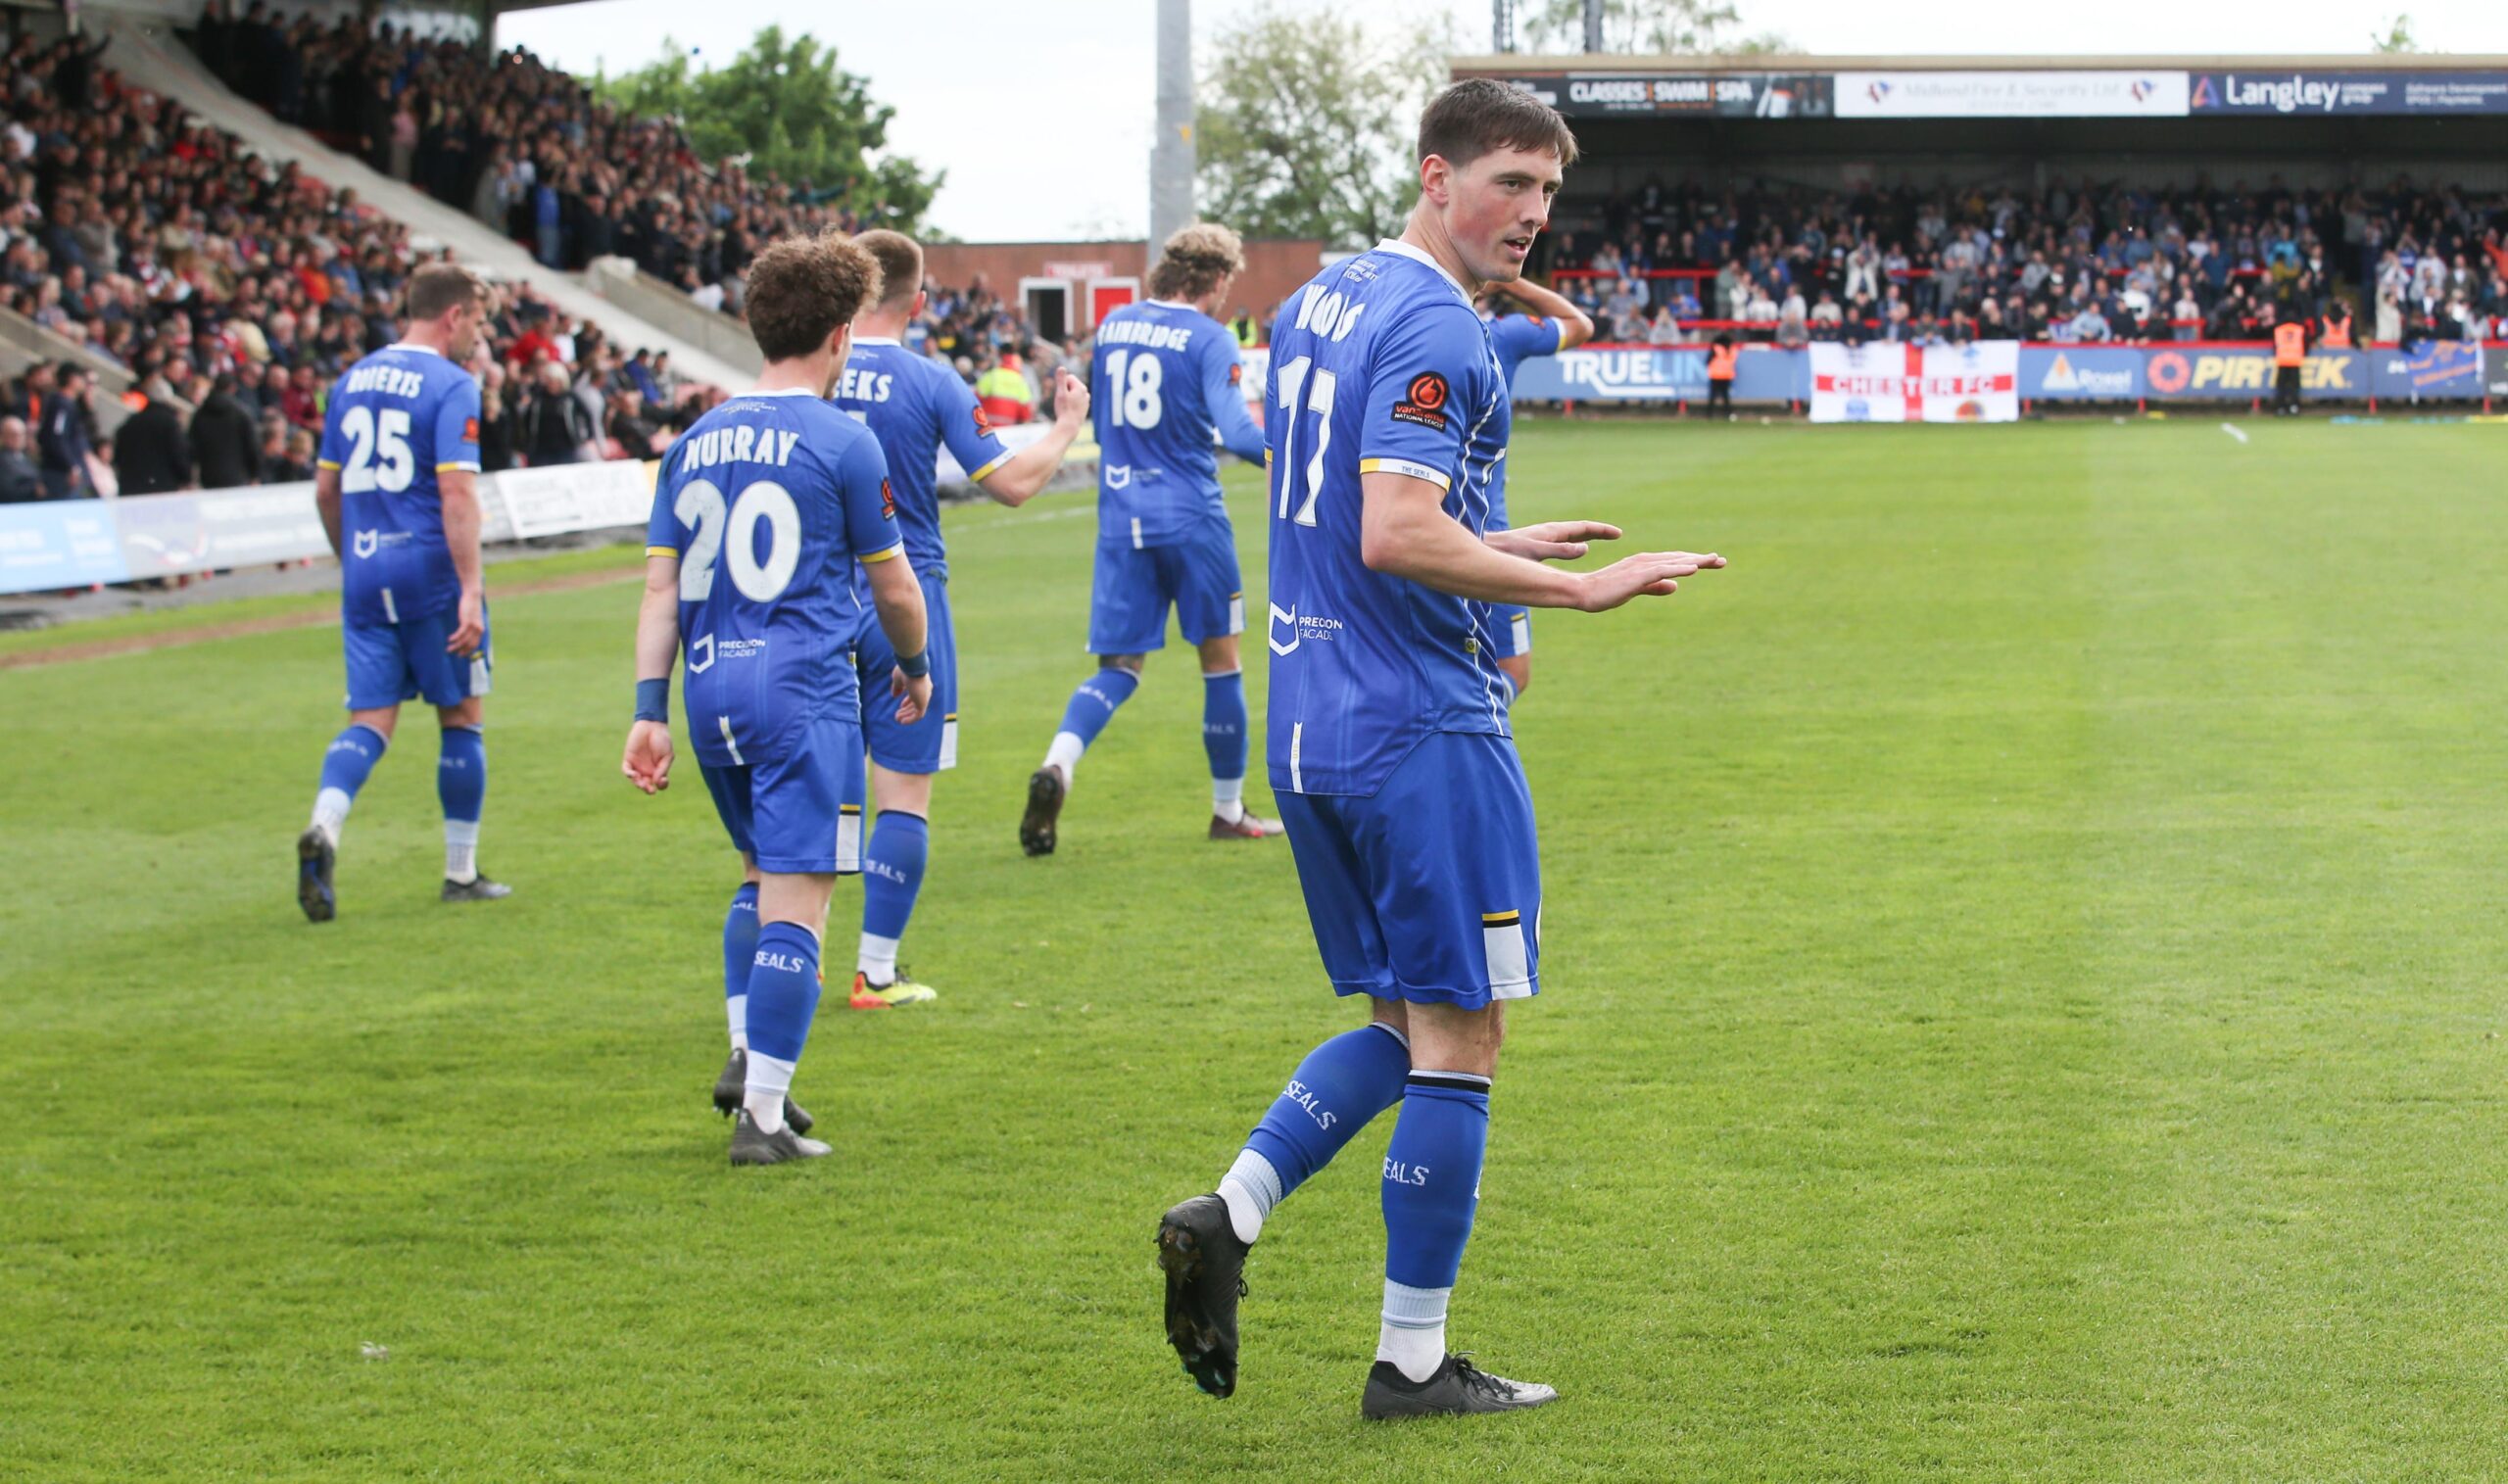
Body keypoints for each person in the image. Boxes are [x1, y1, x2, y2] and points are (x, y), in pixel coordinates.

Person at [1153, 78, 1722, 1419]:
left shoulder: (1324, 298)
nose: (1531, 215)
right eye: (1509, 184)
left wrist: (1503, 540)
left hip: (1312, 718)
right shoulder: (1437, 326)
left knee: (1401, 1020)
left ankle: (1229, 1210)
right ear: (1435, 176)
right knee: (1464, 1029)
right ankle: (1410, 1360)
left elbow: (1355, 499)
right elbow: (1395, 531)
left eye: (1545, 192)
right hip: (1419, 719)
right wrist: (1578, 588)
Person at [622, 231, 933, 1166]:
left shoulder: (692, 440)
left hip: (710, 686)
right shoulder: (842, 436)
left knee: (760, 876)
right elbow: (895, 587)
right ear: (841, 336)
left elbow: (656, 589)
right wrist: (915, 668)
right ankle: (762, 1114)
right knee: (803, 898)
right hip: (801, 689)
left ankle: (749, 1055)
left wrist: (647, 707)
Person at [825, 229, 1092, 1010]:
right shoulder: (929, 377)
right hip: (906, 594)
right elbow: (1010, 483)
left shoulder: (814, 368)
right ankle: (876, 972)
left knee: (816, 785)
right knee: (903, 794)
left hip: (811, 601)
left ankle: (789, 955)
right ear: (920, 299)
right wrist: (1066, 424)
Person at [1020, 222, 1273, 855]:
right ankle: (1226, 809)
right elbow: (1239, 433)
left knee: (1120, 667)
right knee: (1221, 660)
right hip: (1191, 516)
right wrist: (1308, 454)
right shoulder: (1209, 337)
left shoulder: (1115, 327)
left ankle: (1059, 764)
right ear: (1214, 280)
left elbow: (1104, 419)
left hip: (1120, 516)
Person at [294, 263, 510, 922]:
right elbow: (456, 491)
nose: (479, 333)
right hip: (430, 572)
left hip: (364, 571)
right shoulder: (452, 385)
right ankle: (460, 870)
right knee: (461, 717)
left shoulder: (350, 380)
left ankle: (325, 826)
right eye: (477, 320)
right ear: (453, 316)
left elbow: (326, 490)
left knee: (370, 720)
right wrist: (470, 587)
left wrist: (348, 557)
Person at [1474, 277, 1595, 704]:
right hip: (1491, 538)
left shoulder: (1406, 333)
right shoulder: (1501, 334)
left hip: (1414, 532)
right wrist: (1512, 280)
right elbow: (1578, 324)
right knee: (1511, 672)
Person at [113, 377, 192, 496]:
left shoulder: (133, 421)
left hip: (131, 487)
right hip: (161, 487)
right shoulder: (170, 424)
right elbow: (179, 454)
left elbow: (119, 452)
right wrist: (186, 477)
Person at [518, 359, 597, 465]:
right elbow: (528, 420)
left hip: (566, 447)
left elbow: (587, 414)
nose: (552, 384)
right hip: (542, 449)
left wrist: (587, 437)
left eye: (555, 380)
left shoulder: (569, 398)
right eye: (549, 380)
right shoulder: (538, 399)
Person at [192, 373, 264, 489]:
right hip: (238, 476)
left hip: (208, 475)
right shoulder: (241, 414)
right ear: (232, 388)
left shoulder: (200, 414)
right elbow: (252, 446)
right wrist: (255, 474)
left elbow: (193, 445)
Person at [37, 364, 94, 499]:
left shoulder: (69, 405)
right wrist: (71, 465)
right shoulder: (62, 404)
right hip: (59, 472)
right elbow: (57, 436)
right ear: (71, 378)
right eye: (81, 377)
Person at [2272, 307, 2309, 417]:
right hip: (2295, 361)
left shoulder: (2279, 329)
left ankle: (2280, 407)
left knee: (2281, 386)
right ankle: (2294, 407)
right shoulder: (2300, 329)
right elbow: (2306, 343)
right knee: (2295, 386)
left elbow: (2275, 345)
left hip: (2282, 360)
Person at [0, 415, 40, 503]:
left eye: (22, 434)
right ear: (3, 436)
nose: (19, 438)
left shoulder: (25, 457)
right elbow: (7, 489)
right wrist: (34, 488)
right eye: (14, 435)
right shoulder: (3, 461)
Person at [1705, 331, 1738, 419]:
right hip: (1727, 375)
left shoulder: (1716, 348)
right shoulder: (1733, 349)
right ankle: (1728, 413)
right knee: (1726, 396)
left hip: (1716, 375)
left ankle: (1709, 414)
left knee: (1712, 396)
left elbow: (1707, 361)